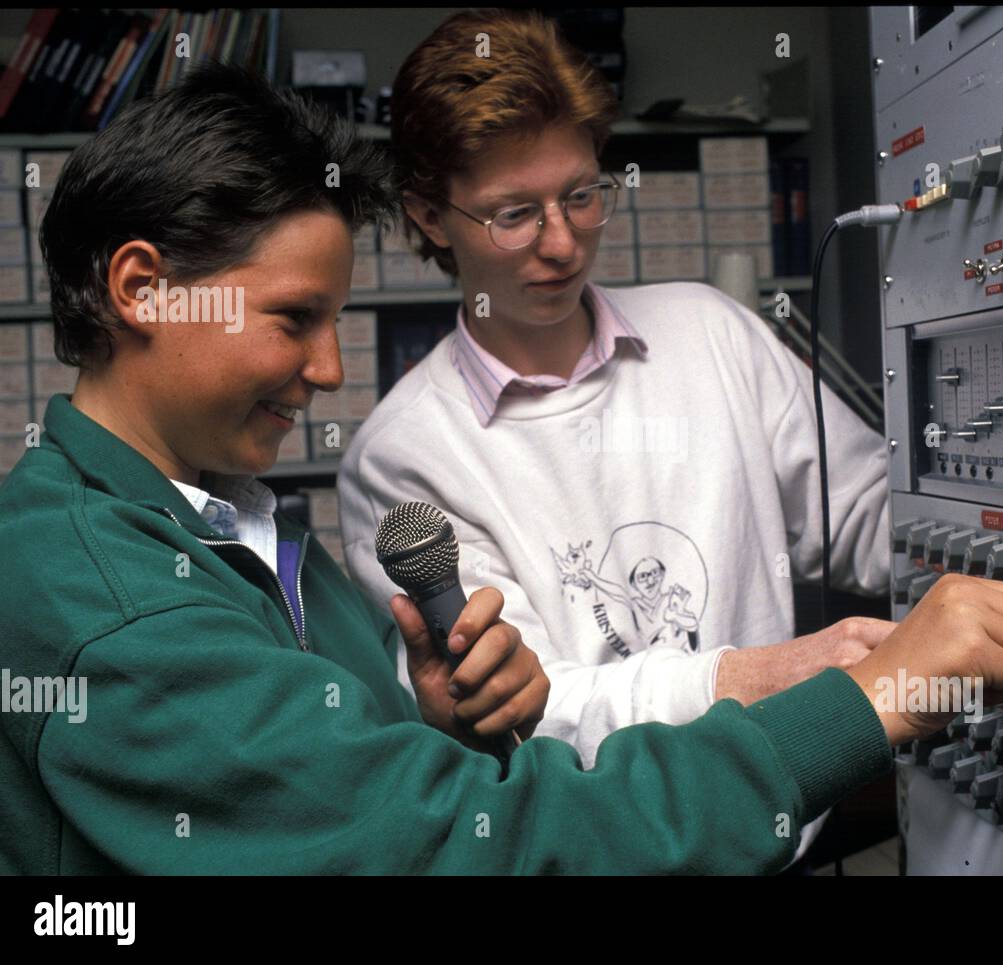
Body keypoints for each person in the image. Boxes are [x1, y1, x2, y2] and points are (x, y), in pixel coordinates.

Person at [0, 62, 1003, 876]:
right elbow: (476, 845)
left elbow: (358, 789)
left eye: (582, 194)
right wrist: (865, 700)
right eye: (292, 319)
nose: (326, 367)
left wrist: (435, 722)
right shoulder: (112, 604)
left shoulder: (234, 525)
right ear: (142, 288)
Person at [337, 8, 896, 859]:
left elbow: (864, 513)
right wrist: (754, 675)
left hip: (790, 830)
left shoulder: (713, 330)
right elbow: (537, 713)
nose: (562, 243)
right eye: (514, 213)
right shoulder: (401, 457)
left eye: (582, 195)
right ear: (428, 214)